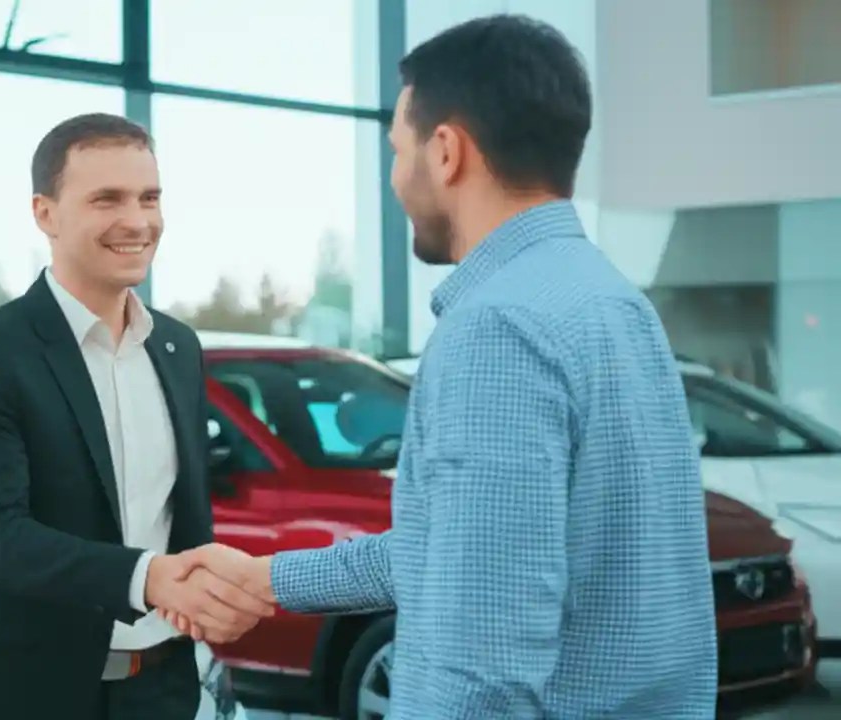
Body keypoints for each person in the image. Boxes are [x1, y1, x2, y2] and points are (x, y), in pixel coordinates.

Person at [164, 14, 718, 718]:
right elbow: (456, 550)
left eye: (399, 150)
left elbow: (481, 663)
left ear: (448, 151)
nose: (396, 179)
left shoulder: (496, 328)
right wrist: (268, 576)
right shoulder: (616, 304)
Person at [0, 113, 274, 720]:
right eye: (107, 199)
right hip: (22, 695)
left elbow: (180, 524)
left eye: (149, 197)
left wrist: (207, 598)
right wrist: (148, 578)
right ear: (45, 213)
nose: (137, 221)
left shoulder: (177, 348)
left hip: (159, 690)